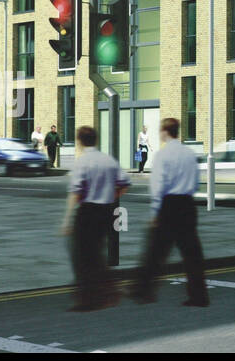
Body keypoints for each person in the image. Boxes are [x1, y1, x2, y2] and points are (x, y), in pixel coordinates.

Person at [132, 118, 208, 307]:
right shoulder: (190, 154)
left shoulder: (162, 155)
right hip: (187, 204)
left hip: (169, 205)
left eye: (161, 130)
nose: (160, 133)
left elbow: (158, 186)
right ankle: (199, 296)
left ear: (165, 132)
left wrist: (155, 212)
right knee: (192, 254)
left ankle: (143, 291)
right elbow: (195, 182)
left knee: (155, 251)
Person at [61, 125, 130, 312]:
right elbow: (125, 183)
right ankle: (107, 291)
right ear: (96, 140)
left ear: (79, 141)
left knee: (81, 256)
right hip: (106, 211)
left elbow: (75, 193)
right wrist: (111, 197)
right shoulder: (108, 160)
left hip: (88, 211)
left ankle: (89, 298)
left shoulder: (82, 162)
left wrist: (67, 220)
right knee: (95, 254)